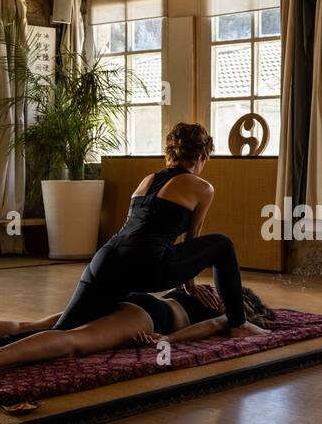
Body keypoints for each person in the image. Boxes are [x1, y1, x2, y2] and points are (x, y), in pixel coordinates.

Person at [52, 121, 265, 338]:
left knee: (62, 329)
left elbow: (135, 228)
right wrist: (189, 285)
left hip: (105, 260)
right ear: (202, 155)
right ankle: (239, 324)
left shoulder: (147, 180)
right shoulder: (202, 188)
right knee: (223, 244)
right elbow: (191, 238)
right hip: (146, 269)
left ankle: (16, 335)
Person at [0, 285, 275, 390]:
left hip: (134, 297)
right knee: (75, 342)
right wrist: (168, 341)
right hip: (150, 314)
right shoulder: (227, 308)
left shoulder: (200, 289)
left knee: (29, 325)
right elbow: (216, 327)